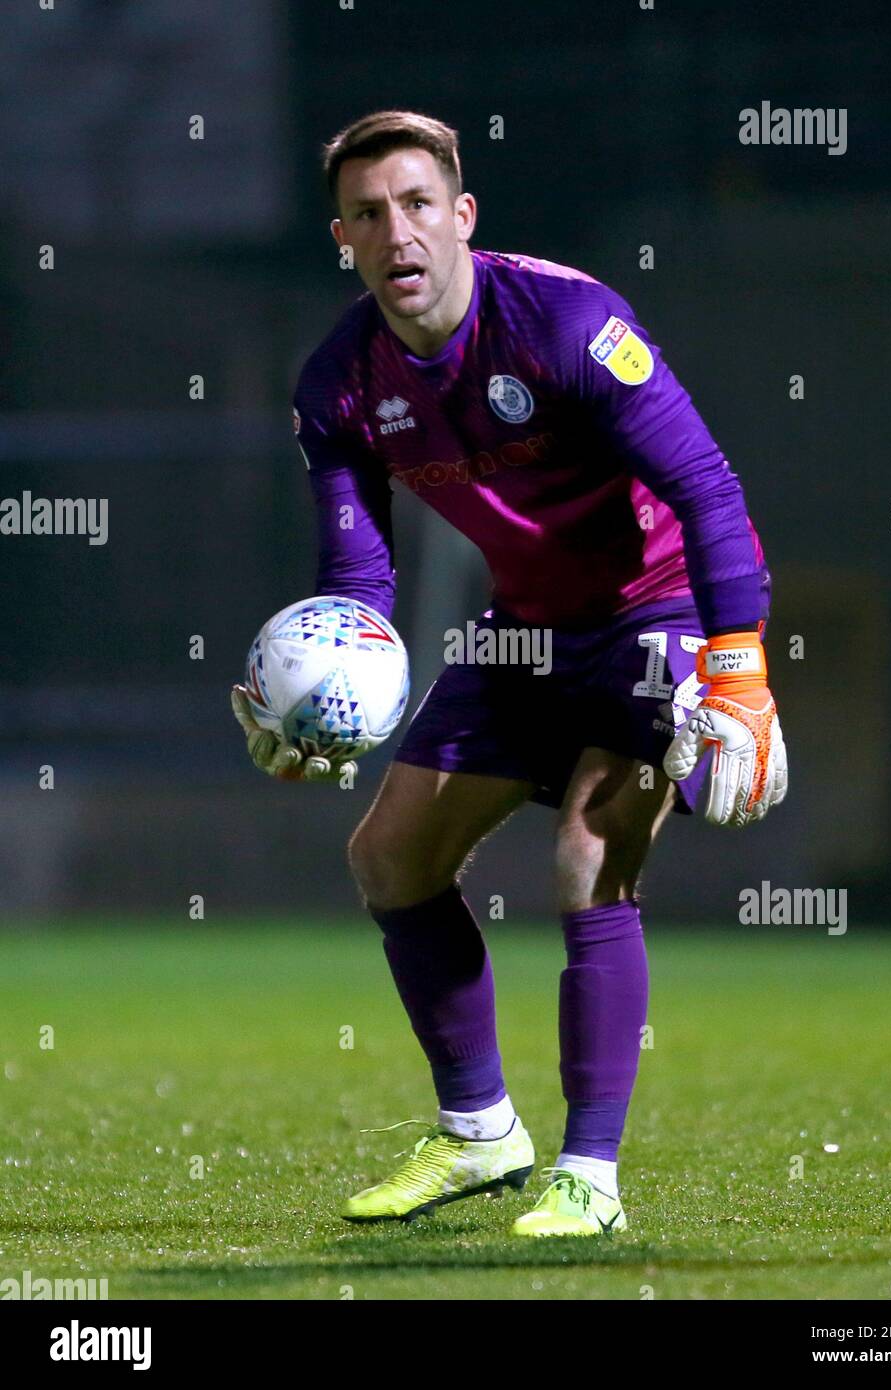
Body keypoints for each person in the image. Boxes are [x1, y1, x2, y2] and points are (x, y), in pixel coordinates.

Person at [232, 109, 788, 1238]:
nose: (399, 230)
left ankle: (589, 1173)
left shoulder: (568, 321)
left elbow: (710, 491)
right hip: (527, 625)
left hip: (658, 612)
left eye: (419, 203)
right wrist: (326, 698)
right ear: (343, 236)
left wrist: (738, 670)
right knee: (388, 855)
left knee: (588, 852)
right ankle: (481, 1130)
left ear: (462, 215)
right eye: (370, 212)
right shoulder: (336, 382)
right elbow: (358, 570)